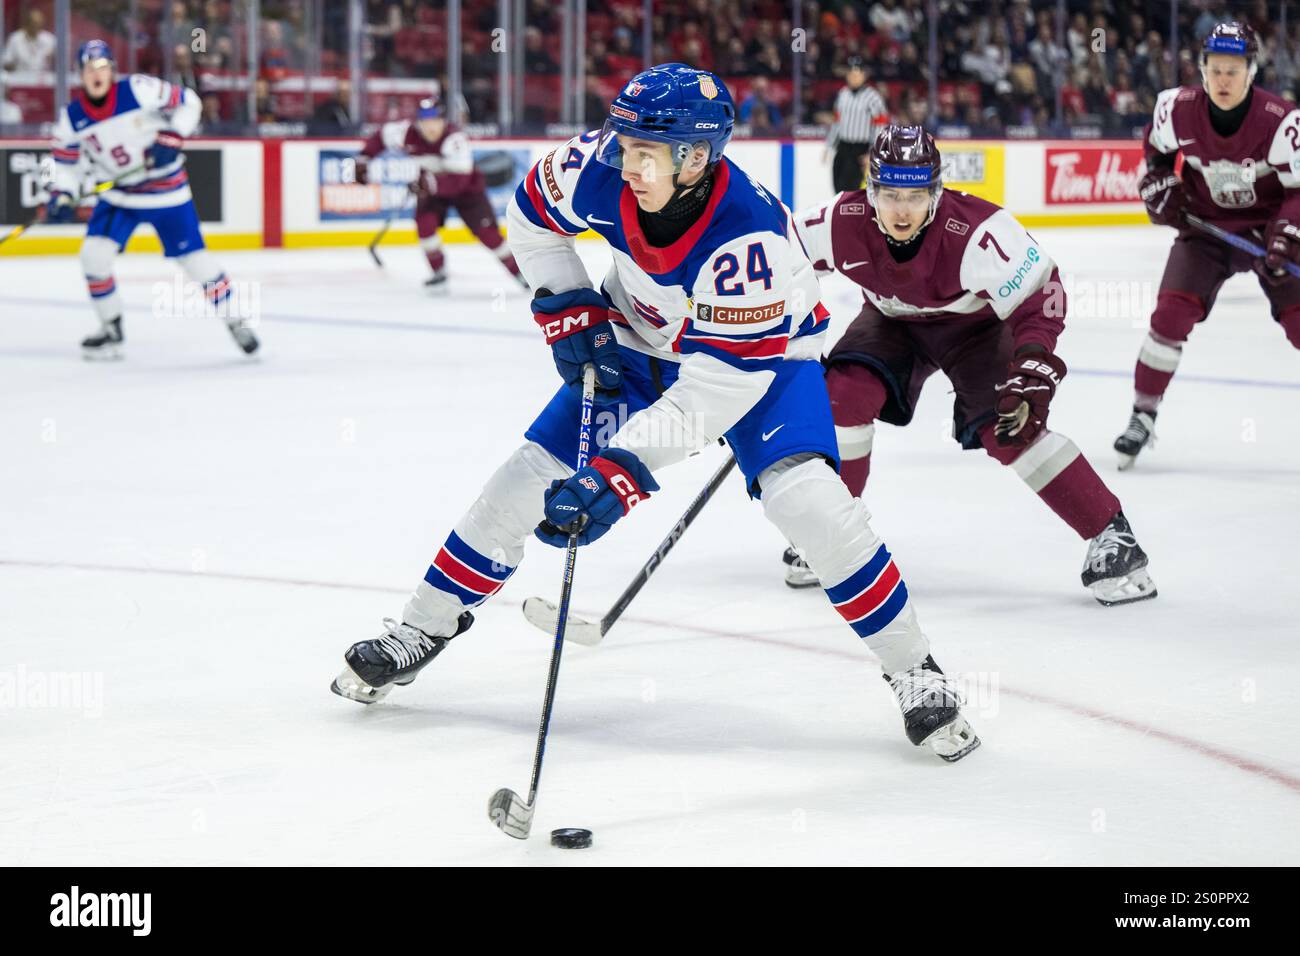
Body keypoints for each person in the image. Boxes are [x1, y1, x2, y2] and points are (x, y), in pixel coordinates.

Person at [330, 65, 981, 763]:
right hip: (638, 343)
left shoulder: (747, 240)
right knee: (521, 482)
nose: (624, 160)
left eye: (644, 151)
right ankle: (421, 628)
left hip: (762, 367)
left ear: (694, 158)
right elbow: (529, 216)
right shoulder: (598, 164)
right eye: (623, 141)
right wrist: (567, 303)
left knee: (815, 510)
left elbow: (717, 389)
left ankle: (914, 670)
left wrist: (622, 469)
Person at [785, 126, 1156, 607]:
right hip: (891, 320)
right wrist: (775, 338)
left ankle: (1112, 534)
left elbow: (1043, 291)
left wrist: (1033, 362)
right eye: (890, 194)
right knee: (842, 396)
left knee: (1010, 427)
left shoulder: (979, 233)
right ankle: (833, 531)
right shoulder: (841, 219)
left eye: (915, 195)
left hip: (974, 330)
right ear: (870, 190)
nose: (901, 209)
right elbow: (781, 264)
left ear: (936, 192)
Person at [1115, 22, 1300, 468]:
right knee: (1169, 317)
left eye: (1232, 71)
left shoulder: (1282, 121)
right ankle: (1143, 414)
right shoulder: (1174, 109)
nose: (1222, 80)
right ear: (1201, 69)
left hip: (1266, 230)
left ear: (1251, 71)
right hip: (1205, 230)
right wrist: (1159, 180)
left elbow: (1297, 192)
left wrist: (1286, 235)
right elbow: (1156, 152)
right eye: (1215, 70)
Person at [45, 40, 257, 359]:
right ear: (80, 75)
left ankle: (236, 321)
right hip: (119, 196)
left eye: (103, 67)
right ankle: (111, 327)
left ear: (113, 70)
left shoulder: (138, 89)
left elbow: (190, 102)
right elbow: (65, 164)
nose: (97, 74)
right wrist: (62, 192)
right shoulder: (72, 118)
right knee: (93, 258)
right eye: (90, 69)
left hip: (166, 191)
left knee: (197, 263)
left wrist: (172, 135)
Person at [354, 95, 525, 292]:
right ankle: (439, 272)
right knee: (424, 227)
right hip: (432, 189)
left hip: (468, 192)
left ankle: (520, 273)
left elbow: (459, 181)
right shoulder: (405, 132)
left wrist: (428, 183)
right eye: (425, 122)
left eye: (435, 121)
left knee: (489, 235)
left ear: (443, 120)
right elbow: (380, 137)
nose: (430, 127)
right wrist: (363, 158)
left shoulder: (455, 140)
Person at [827, 57, 888, 192]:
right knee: (838, 186)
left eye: (857, 74)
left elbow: (879, 127)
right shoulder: (843, 94)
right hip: (843, 147)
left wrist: (872, 152)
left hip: (860, 150)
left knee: (851, 190)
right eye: (851, 74)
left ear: (864, 75)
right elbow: (837, 122)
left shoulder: (873, 97)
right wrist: (830, 145)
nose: (853, 77)